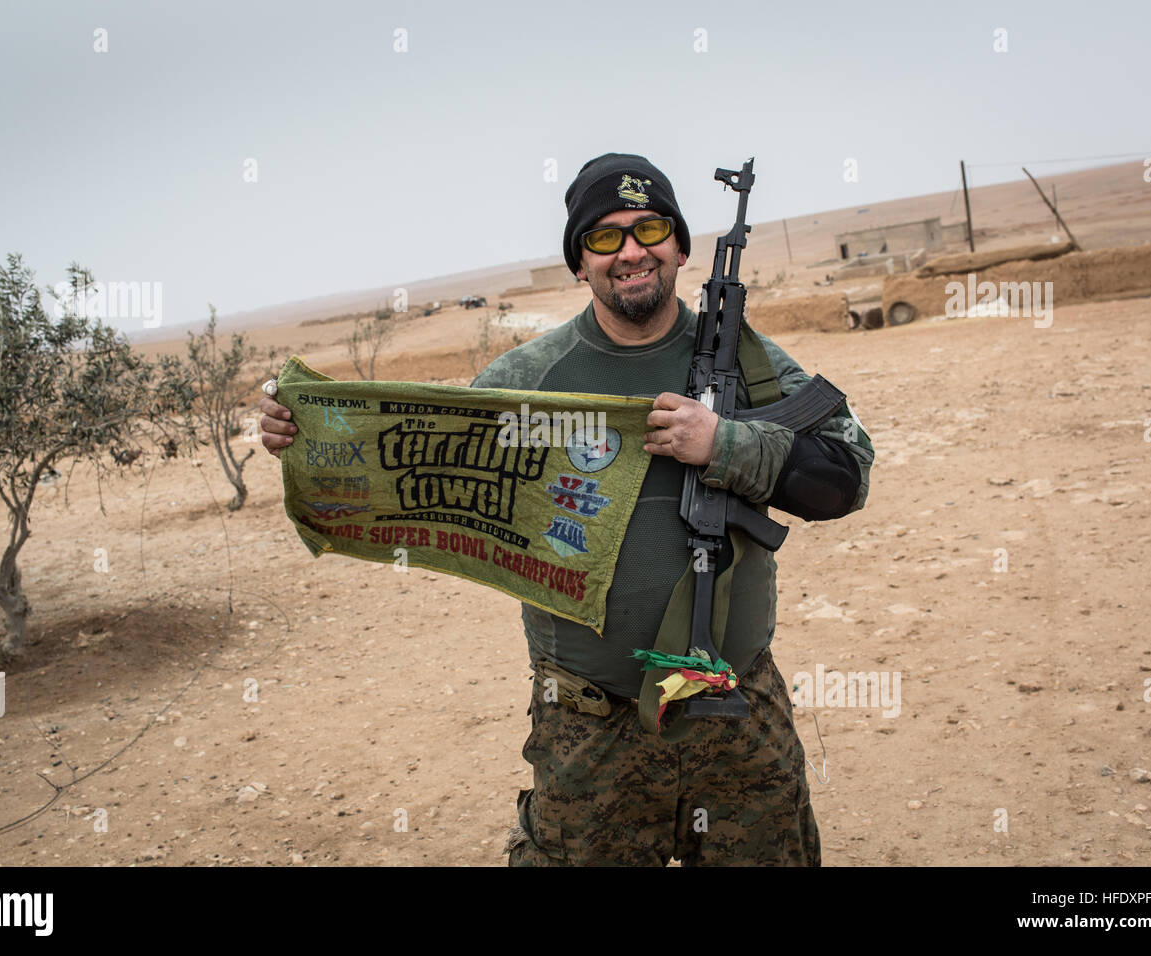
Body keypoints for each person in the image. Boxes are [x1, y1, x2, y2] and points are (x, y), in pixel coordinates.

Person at [260, 153, 874, 866]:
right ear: (579, 263)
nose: (632, 251)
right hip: (590, 732)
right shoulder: (526, 383)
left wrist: (725, 445)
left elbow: (844, 479)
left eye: (650, 229)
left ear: (679, 246)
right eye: (605, 238)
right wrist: (306, 433)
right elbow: (413, 461)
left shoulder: (752, 365)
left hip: (737, 710)